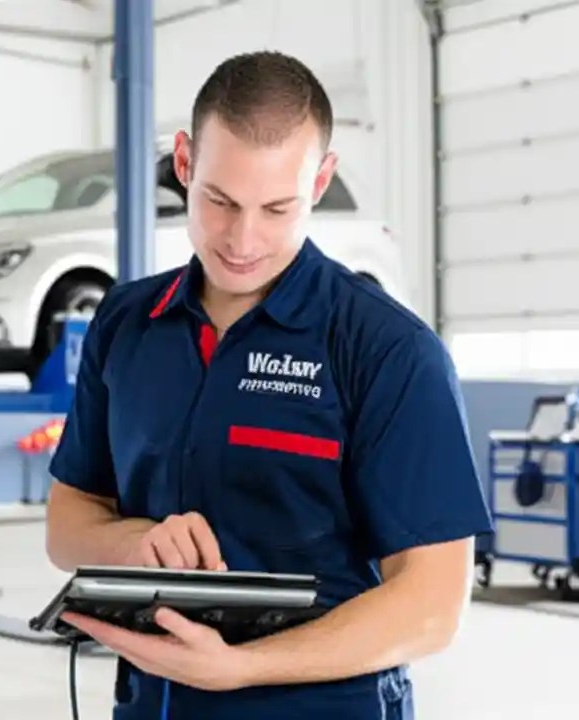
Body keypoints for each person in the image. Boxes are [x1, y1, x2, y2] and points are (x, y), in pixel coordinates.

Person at [45, 51, 492, 719]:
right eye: (220, 201)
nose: (242, 239)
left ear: (320, 181)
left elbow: (432, 607)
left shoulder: (386, 350)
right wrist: (134, 543)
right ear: (185, 164)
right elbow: (68, 521)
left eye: (277, 208)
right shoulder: (126, 321)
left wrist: (241, 669)